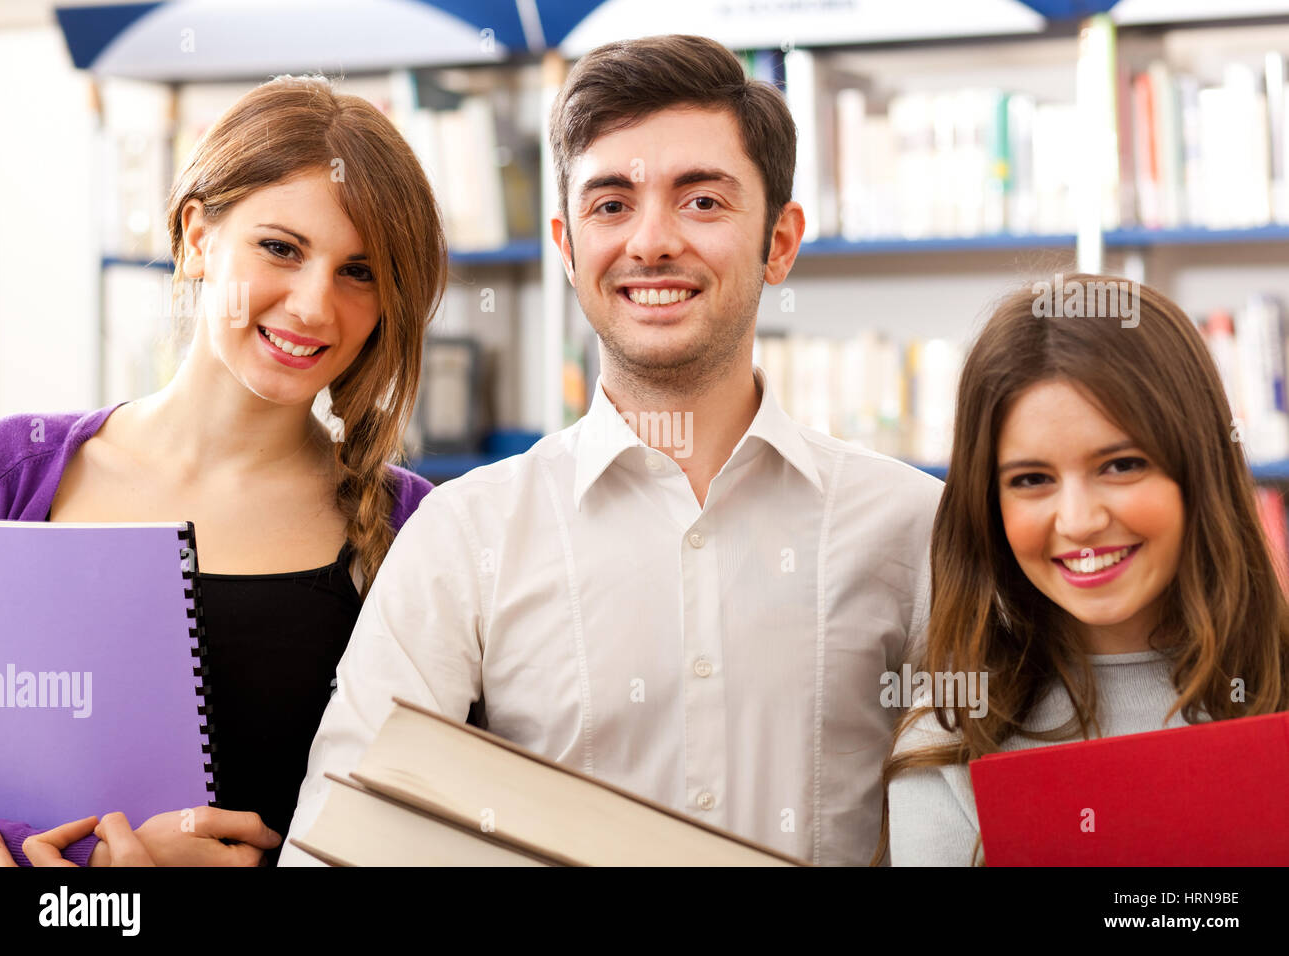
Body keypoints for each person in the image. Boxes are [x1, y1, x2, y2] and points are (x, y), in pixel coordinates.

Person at [280, 34, 941, 868]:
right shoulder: (467, 535)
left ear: (780, 241)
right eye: (611, 204)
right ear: (565, 244)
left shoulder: (915, 529)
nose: (652, 242)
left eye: (702, 201)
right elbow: (339, 844)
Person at [0, 74, 447, 867]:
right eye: (280, 248)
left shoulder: (418, 531)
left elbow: (429, 837)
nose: (311, 305)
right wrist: (83, 877)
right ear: (199, 236)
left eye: (359, 272)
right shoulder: (11, 474)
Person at [875, 274, 1289, 866]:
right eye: (1031, 480)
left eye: (1120, 465)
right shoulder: (951, 737)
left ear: (1199, 469)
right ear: (989, 504)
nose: (1078, 520)